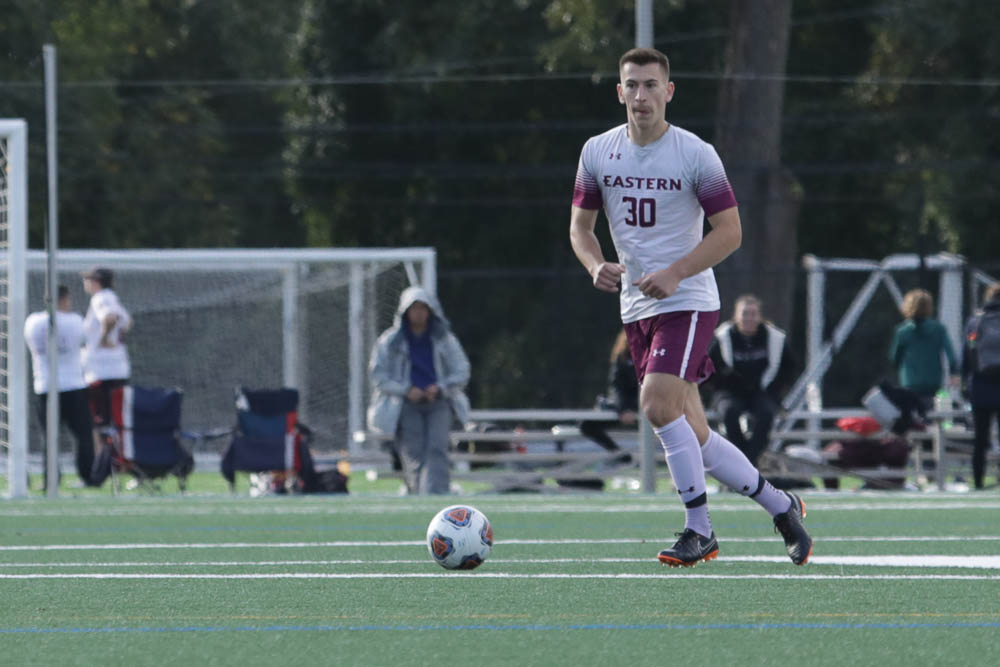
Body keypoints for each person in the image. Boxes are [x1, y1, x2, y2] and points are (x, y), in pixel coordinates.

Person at [569, 47, 811, 566]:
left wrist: (677, 272)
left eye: (651, 85)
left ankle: (699, 530)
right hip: (637, 308)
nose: (641, 95)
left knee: (657, 406)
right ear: (619, 92)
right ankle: (781, 506)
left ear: (669, 91)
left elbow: (731, 232)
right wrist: (594, 265)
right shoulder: (597, 152)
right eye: (632, 85)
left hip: (689, 301)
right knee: (694, 435)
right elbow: (580, 228)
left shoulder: (696, 154)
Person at [367, 285, 471, 495]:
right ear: (404, 311)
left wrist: (440, 387)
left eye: (423, 308)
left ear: (430, 311)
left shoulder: (443, 338)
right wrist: (406, 390)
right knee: (413, 452)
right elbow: (378, 375)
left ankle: (437, 494)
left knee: (437, 448)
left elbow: (462, 370)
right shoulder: (390, 341)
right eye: (414, 308)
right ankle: (417, 496)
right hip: (405, 404)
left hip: (438, 402)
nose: (419, 313)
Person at [706, 294, 796, 466]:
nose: (749, 318)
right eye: (745, 313)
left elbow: (788, 368)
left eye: (753, 314)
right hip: (730, 392)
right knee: (729, 412)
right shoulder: (723, 338)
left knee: (766, 413)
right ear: (736, 316)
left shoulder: (774, 338)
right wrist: (724, 383)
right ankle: (740, 459)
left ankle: (751, 461)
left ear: (759, 316)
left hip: (763, 391)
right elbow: (709, 368)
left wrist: (776, 388)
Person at [23, 285, 96, 487]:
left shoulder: (32, 321)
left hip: (45, 387)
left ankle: (51, 479)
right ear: (64, 299)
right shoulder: (75, 320)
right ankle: (88, 476)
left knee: (49, 438)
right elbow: (86, 342)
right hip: (73, 385)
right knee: (83, 435)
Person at [888, 288, 959, 410]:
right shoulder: (939, 329)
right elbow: (951, 355)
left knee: (912, 416)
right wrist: (954, 373)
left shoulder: (902, 331)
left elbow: (894, 359)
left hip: (910, 382)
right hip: (933, 382)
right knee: (932, 414)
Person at [81, 267, 132, 433]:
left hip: (102, 371)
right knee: (116, 420)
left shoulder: (101, 298)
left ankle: (105, 451)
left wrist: (103, 339)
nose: (85, 283)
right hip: (117, 369)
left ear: (96, 282)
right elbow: (127, 322)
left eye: (87, 279)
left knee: (100, 424)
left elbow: (109, 318)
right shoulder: (113, 298)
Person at [579, 329, 639, 462]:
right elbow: (617, 387)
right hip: (625, 408)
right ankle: (620, 456)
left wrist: (635, 408)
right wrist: (625, 409)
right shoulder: (622, 359)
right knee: (586, 425)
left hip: (649, 407)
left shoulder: (655, 356)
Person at [962, 283, 1000, 490]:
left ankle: (978, 481)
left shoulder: (975, 322)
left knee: (980, 439)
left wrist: (965, 384)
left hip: (980, 386)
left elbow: (967, 354)